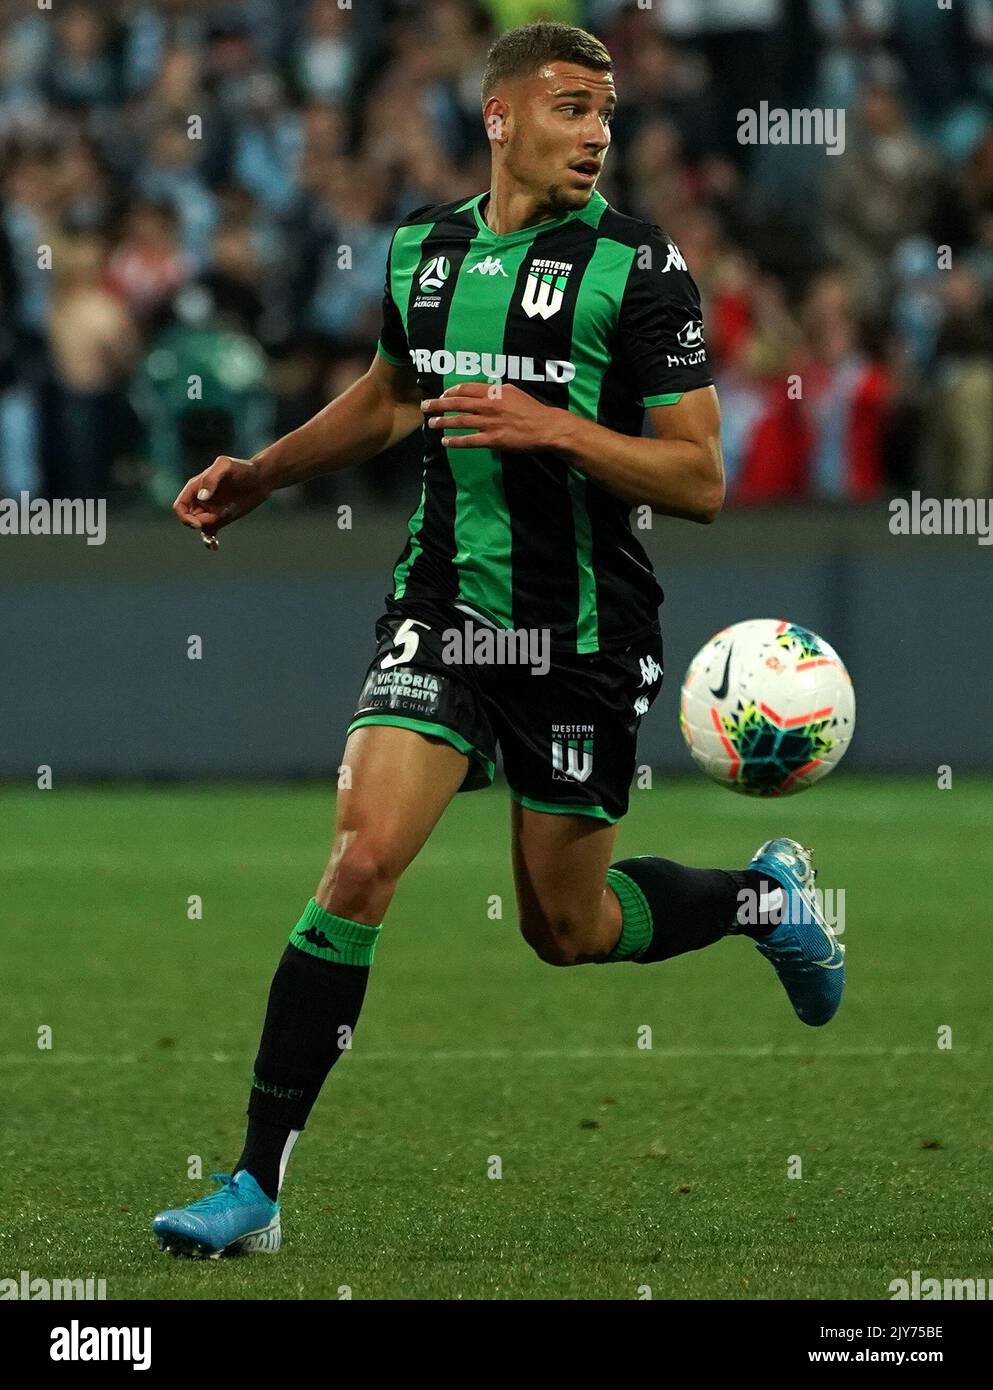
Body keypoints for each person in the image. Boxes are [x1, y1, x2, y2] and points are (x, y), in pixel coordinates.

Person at [152, 21, 845, 1260]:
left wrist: (557, 427)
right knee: (361, 863)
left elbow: (699, 478)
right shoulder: (423, 247)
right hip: (444, 609)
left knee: (564, 929)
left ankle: (760, 895)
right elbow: (391, 396)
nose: (597, 134)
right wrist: (263, 471)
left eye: (606, 114)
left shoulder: (641, 267)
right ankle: (254, 1186)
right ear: (501, 116)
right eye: (573, 109)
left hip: (580, 633)